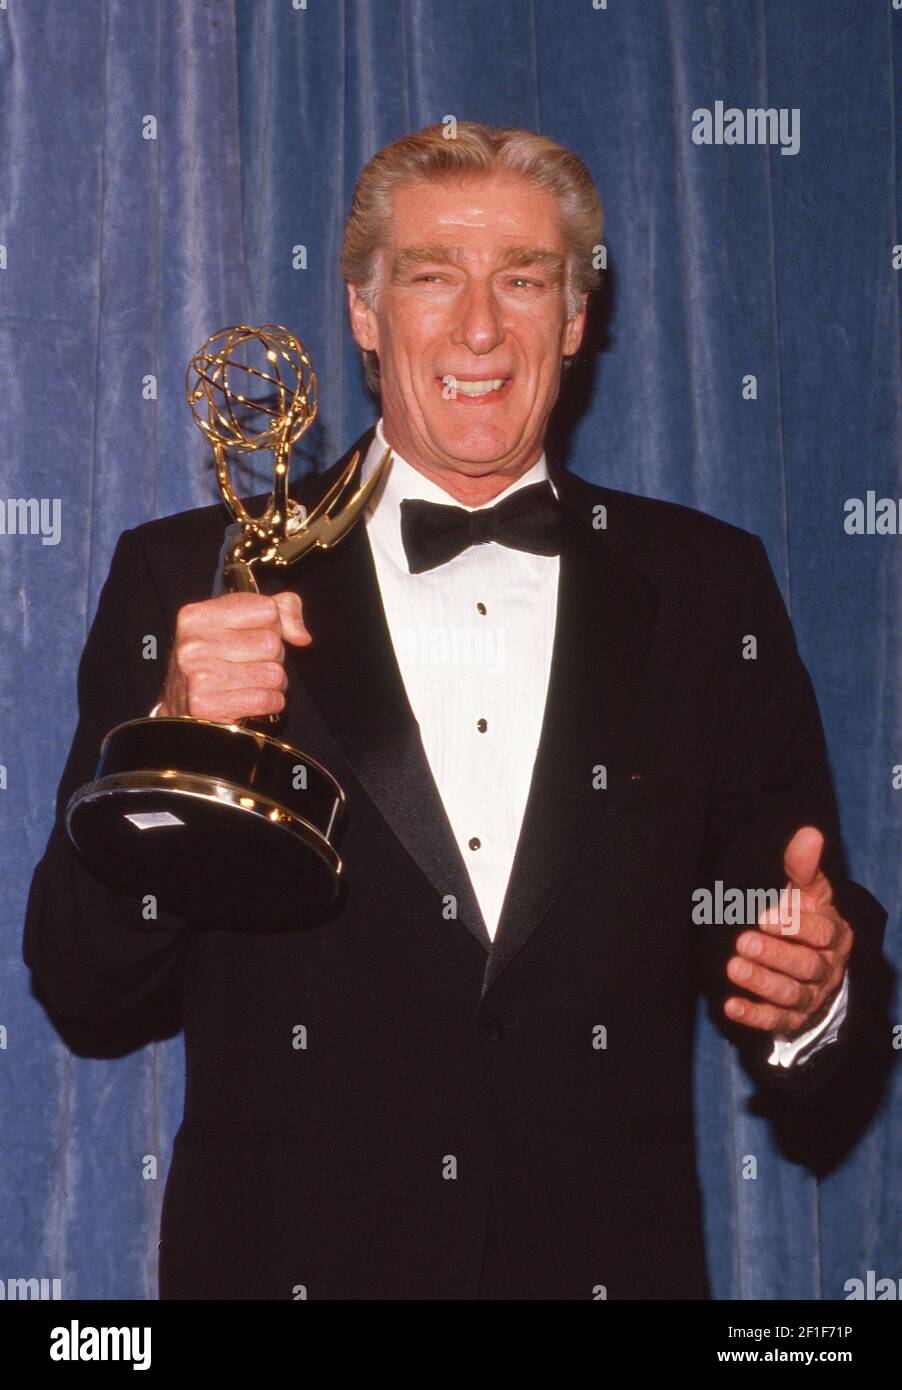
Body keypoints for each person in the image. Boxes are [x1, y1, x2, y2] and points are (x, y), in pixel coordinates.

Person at [25, 122, 887, 1300]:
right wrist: (177, 747)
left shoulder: (705, 586)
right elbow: (81, 977)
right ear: (365, 313)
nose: (480, 328)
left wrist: (816, 993)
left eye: (524, 279)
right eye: (433, 276)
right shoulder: (196, 577)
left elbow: (783, 925)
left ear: (576, 319)